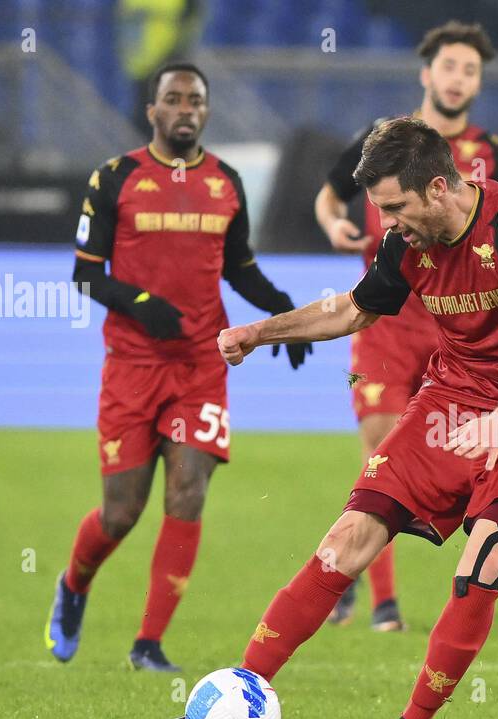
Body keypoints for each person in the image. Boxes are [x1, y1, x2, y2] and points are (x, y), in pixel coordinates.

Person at [154, 117, 498, 719]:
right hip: (452, 398)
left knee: (482, 566)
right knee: (347, 538)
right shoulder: (407, 244)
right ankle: (235, 697)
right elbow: (355, 309)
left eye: (395, 207)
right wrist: (262, 331)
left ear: (439, 187)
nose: (388, 222)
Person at [45, 63, 306, 672]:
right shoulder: (115, 178)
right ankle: (74, 585)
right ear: (153, 111)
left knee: (187, 494)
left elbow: (238, 268)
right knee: (121, 513)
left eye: (195, 99)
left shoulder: (228, 183)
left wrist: (284, 315)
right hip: (132, 367)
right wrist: (143, 305)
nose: (185, 108)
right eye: (173, 98)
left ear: (206, 113)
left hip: (200, 367)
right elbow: (85, 273)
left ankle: (148, 645)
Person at [314, 20, 498, 631]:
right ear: (426, 74)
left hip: (451, 329)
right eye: (449, 67)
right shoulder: (386, 143)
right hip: (382, 323)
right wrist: (334, 226)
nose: (459, 79)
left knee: (444, 465)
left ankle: (360, 574)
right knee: (381, 453)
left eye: (470, 70)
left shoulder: (491, 151)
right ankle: (382, 603)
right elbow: (328, 196)